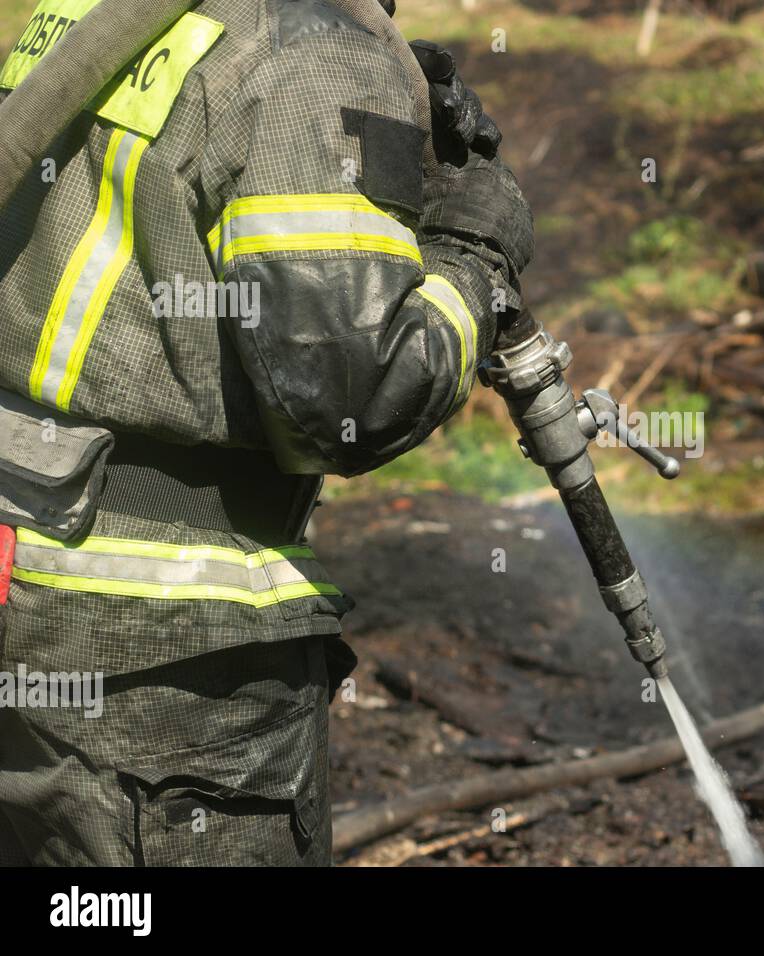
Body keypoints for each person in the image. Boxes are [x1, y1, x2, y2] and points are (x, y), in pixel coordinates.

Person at [0, 0, 531, 865]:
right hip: (161, 652)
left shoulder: (95, 9)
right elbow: (354, 397)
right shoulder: (315, 44)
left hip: (34, 580)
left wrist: (381, 119)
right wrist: (476, 254)